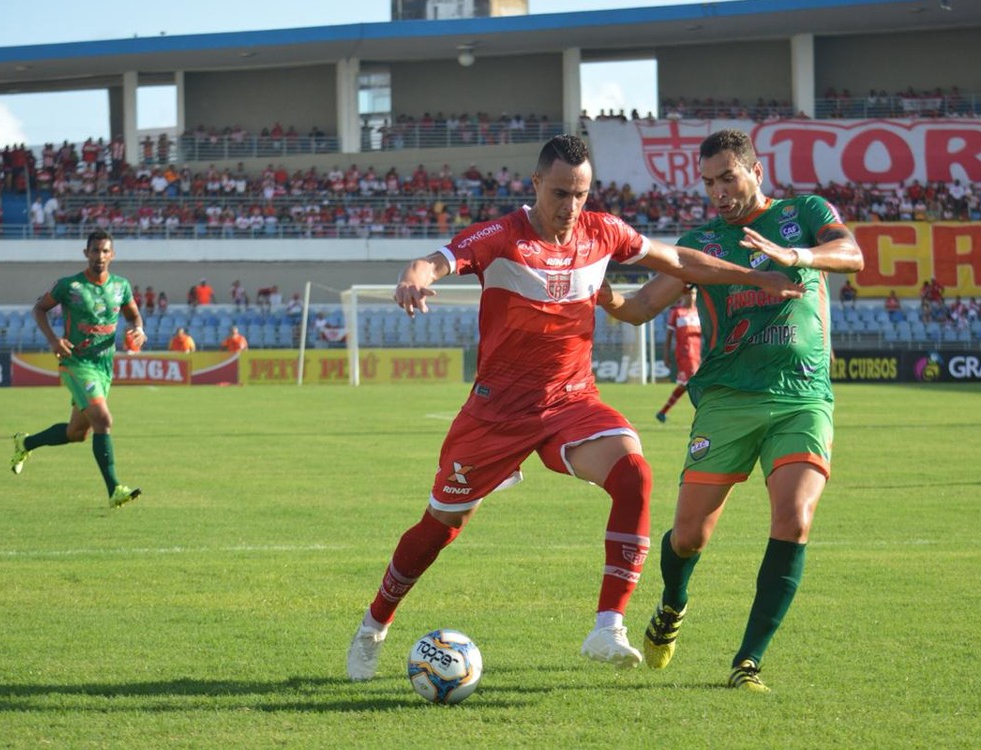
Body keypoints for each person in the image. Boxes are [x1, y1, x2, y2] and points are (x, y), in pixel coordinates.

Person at [345, 134, 805, 683]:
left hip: (572, 401)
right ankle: (374, 625)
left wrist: (755, 276)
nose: (571, 205)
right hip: (497, 414)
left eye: (581, 194)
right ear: (537, 184)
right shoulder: (501, 237)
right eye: (560, 193)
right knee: (442, 525)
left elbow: (679, 260)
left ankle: (608, 626)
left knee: (633, 472)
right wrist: (413, 278)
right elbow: (435, 261)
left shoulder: (603, 231)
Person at [598, 128, 864, 692]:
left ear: (755, 171)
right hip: (726, 399)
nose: (718, 191)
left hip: (801, 396)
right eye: (709, 182)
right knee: (688, 538)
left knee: (794, 520)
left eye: (728, 178)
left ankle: (748, 661)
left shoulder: (804, 214)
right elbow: (640, 307)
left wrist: (796, 256)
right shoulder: (702, 243)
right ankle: (673, 604)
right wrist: (595, 289)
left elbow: (852, 255)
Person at [9, 229, 146, 508]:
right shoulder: (69, 286)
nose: (100, 256)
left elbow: (133, 315)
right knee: (103, 420)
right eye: (95, 250)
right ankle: (115, 490)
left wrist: (139, 329)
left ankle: (25, 444)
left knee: (77, 433)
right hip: (76, 363)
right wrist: (53, 340)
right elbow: (39, 309)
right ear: (86, 253)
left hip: (103, 366)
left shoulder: (121, 286)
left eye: (105, 251)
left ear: (112, 255)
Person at [656, 286, 702, 424]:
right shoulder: (677, 312)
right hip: (684, 354)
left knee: (685, 384)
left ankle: (663, 412)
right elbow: (669, 335)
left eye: (694, 293)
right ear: (683, 295)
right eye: (689, 293)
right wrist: (666, 355)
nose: (691, 296)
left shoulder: (699, 312)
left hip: (698, 353)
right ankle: (703, 414)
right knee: (696, 382)